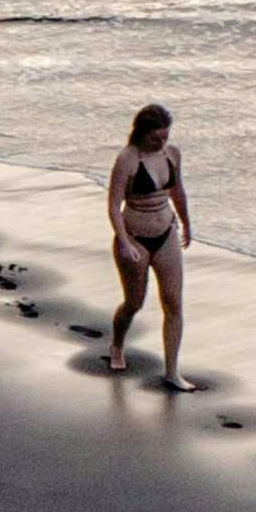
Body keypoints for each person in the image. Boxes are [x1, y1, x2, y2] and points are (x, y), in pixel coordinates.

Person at [103, 98, 190, 389]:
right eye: (155, 137)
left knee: (173, 302)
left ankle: (171, 371)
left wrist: (188, 223)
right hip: (135, 237)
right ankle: (117, 345)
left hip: (166, 231)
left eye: (165, 136)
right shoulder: (127, 158)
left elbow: (178, 191)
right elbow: (114, 204)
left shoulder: (172, 154)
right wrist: (125, 242)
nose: (161, 142)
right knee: (134, 302)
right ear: (141, 133)